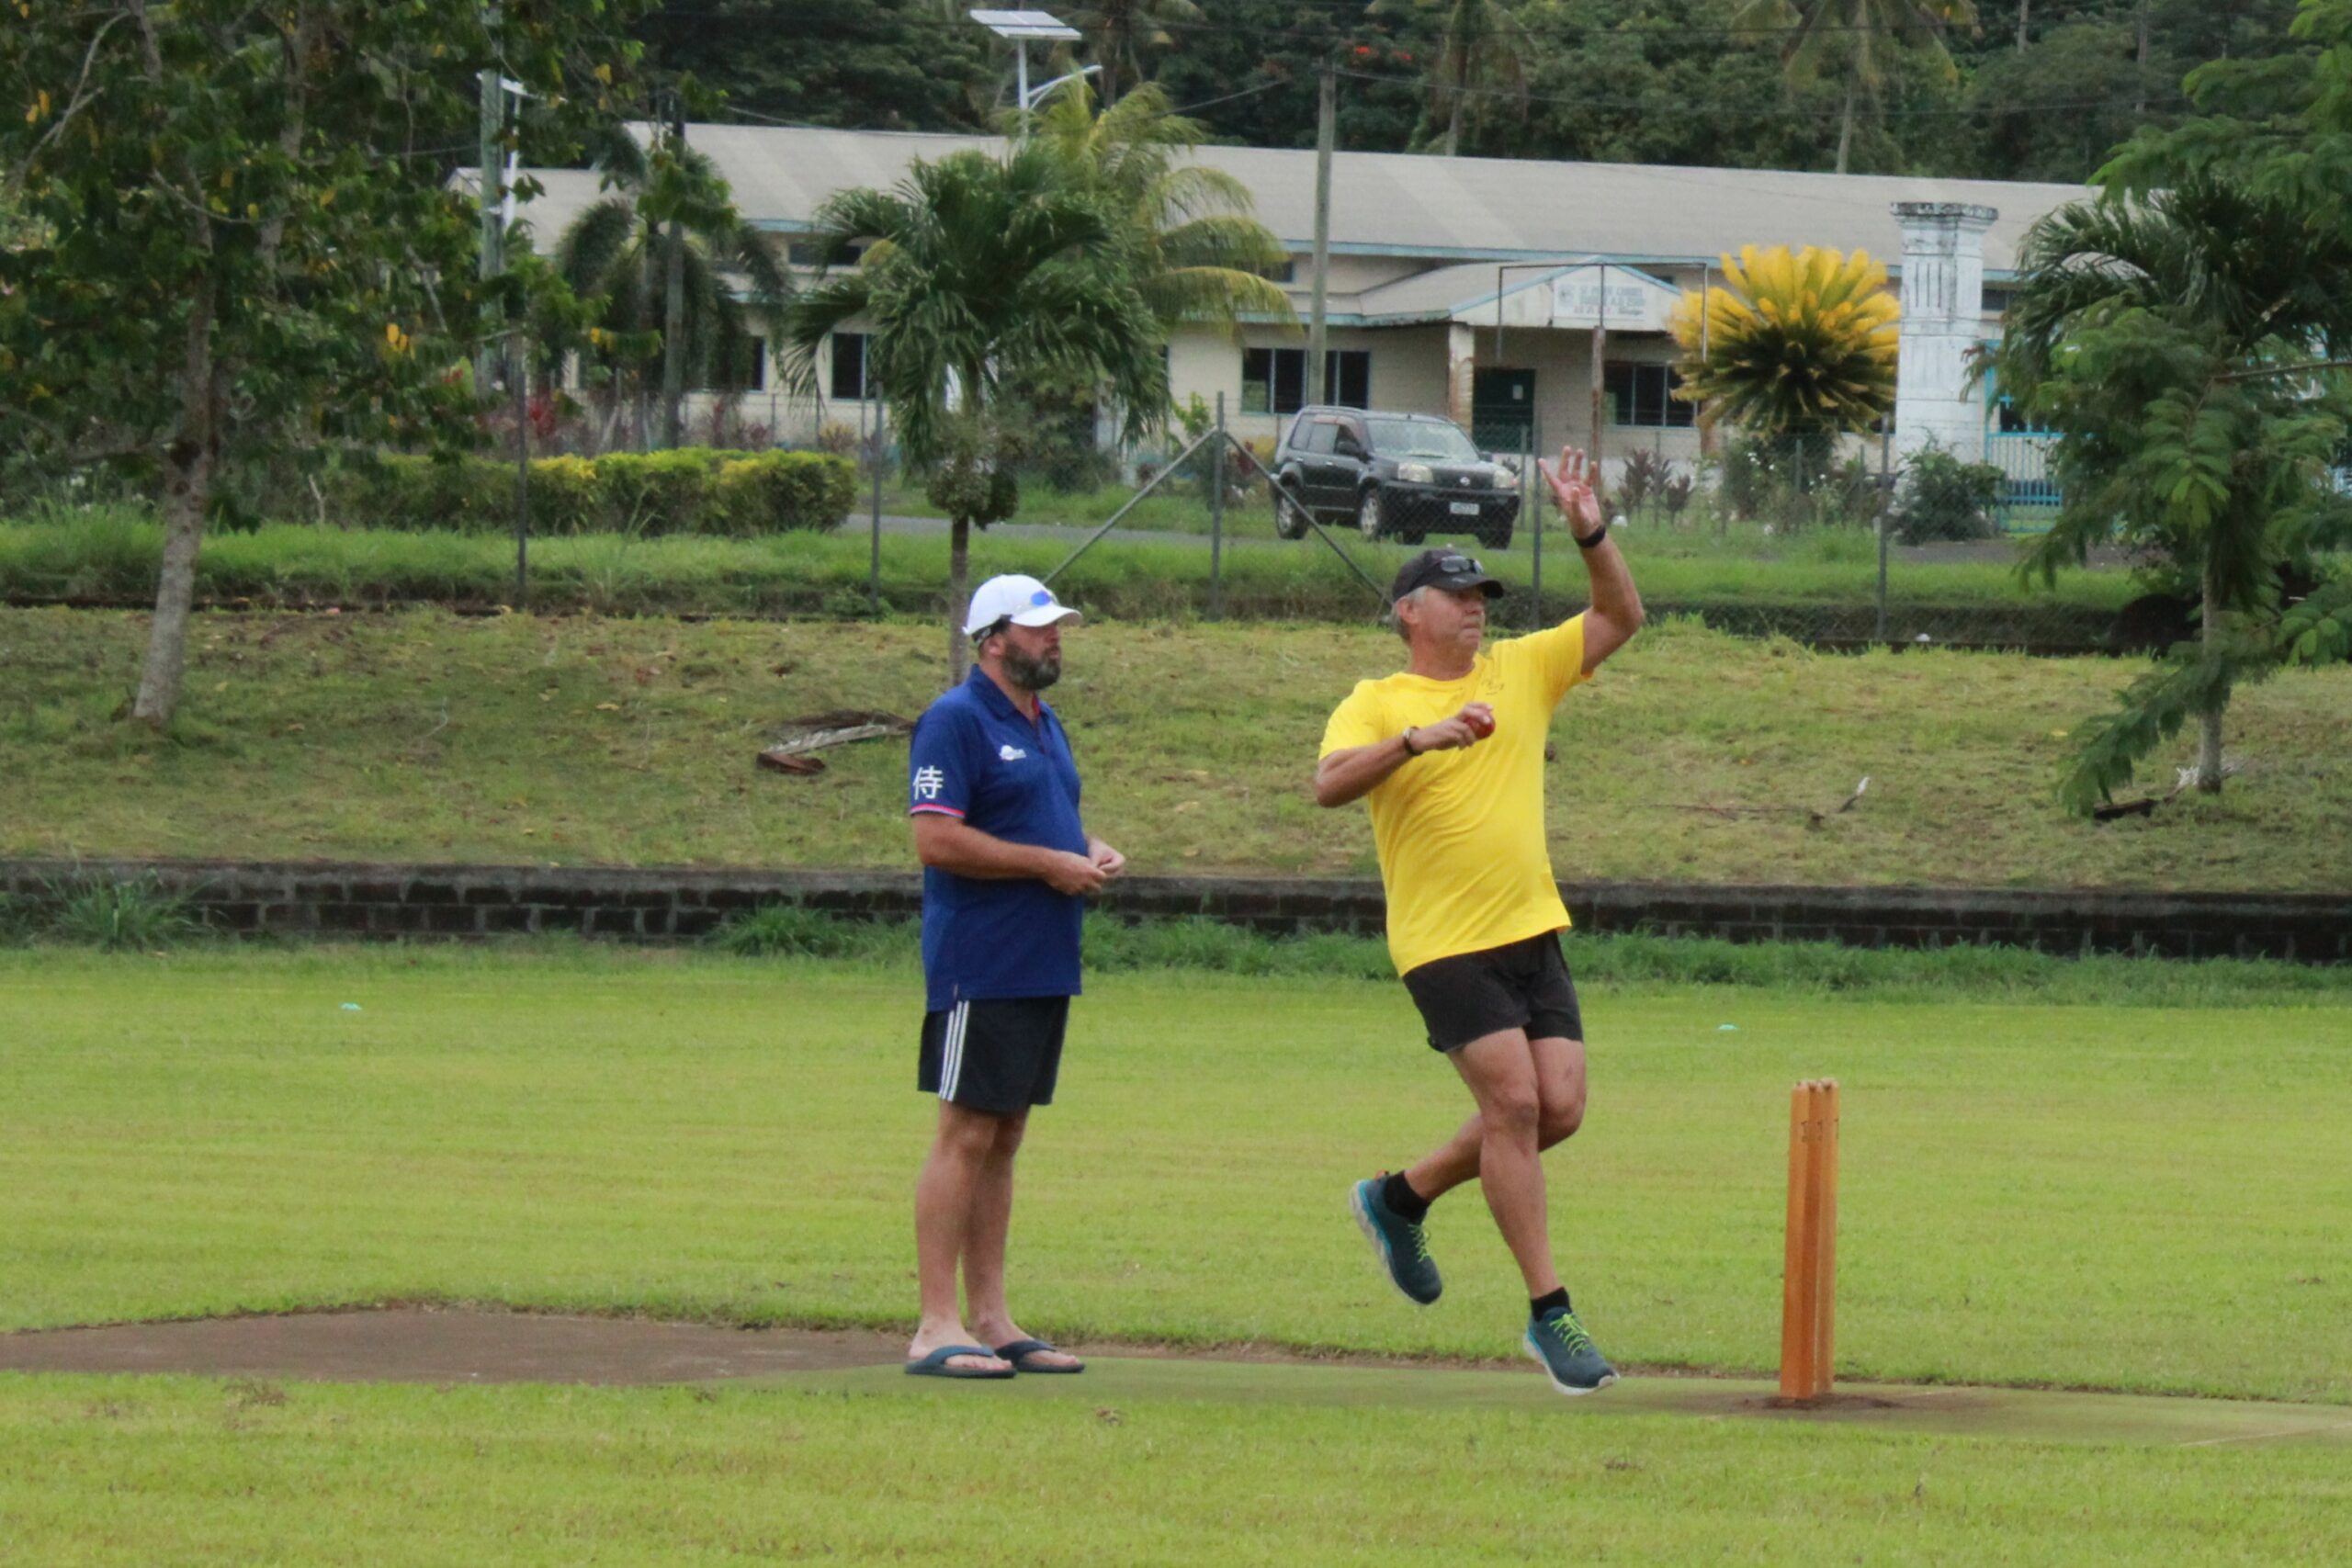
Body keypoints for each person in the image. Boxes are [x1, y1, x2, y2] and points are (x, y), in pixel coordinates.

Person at [1312, 448, 1644, 1396]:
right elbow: (1327, 785)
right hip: (1443, 945)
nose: (1476, 607)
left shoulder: (1520, 669)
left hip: (1530, 928)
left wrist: (1588, 526)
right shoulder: (1377, 701)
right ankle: (1551, 1316)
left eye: (1481, 593)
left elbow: (1623, 617)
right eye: (1456, 595)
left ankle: (1399, 1197)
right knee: (1514, 1107)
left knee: (1559, 1110)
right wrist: (1416, 740)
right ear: (1408, 612)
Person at [900, 573, 1126, 1379]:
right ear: (993, 638)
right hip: (980, 961)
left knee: (1006, 1136)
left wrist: (1085, 847)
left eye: (1057, 624)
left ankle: (992, 1317)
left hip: (1042, 959)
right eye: (1038, 627)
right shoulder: (954, 719)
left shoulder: (1044, 720)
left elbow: (1038, 817)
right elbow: (936, 839)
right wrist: (1047, 863)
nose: (1055, 637)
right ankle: (936, 1324)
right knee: (964, 1133)